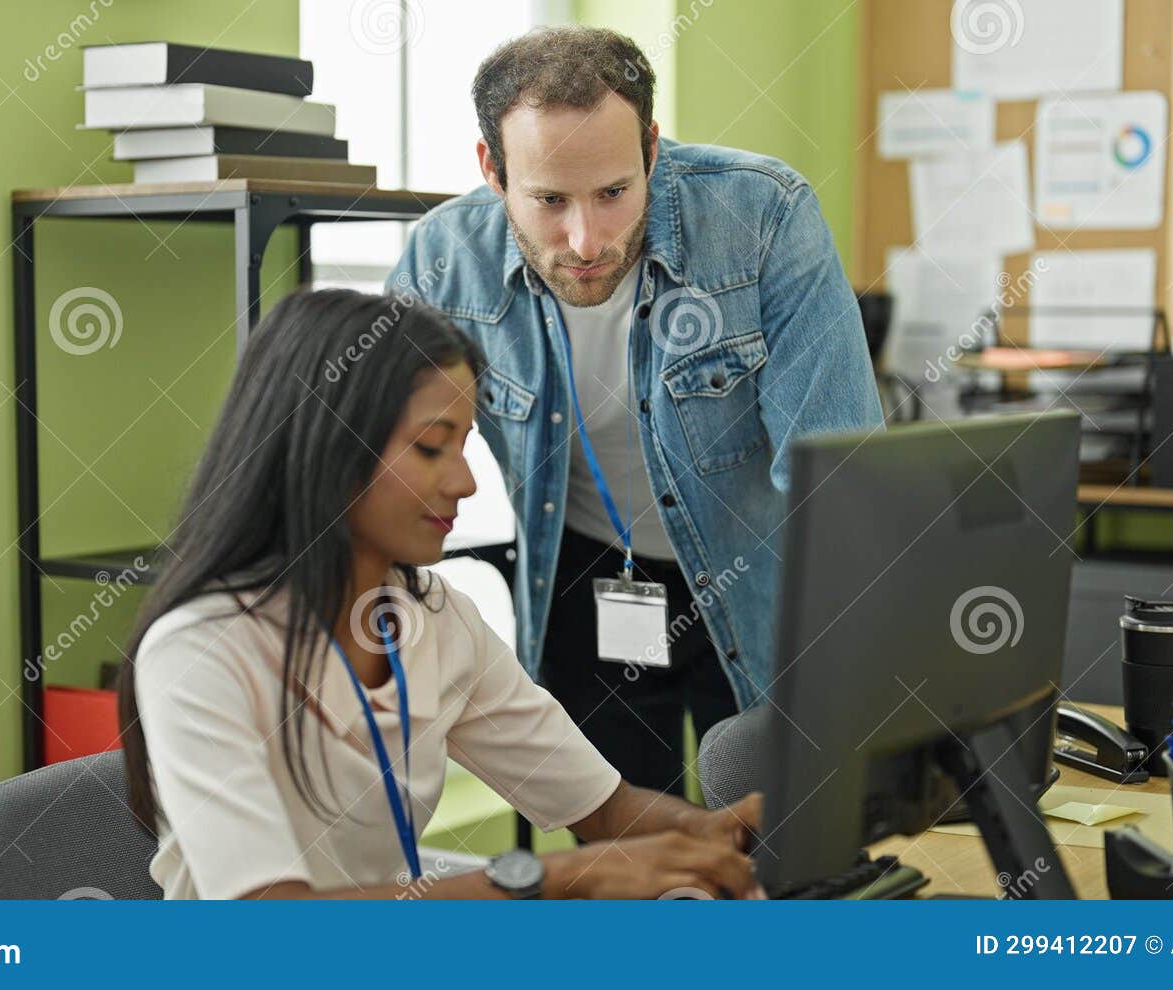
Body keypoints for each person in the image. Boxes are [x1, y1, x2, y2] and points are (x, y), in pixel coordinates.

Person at [117, 289, 761, 899]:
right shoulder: (199, 651)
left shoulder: (436, 618)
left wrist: (713, 834)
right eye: (430, 447)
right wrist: (559, 878)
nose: (464, 482)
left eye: (465, 445)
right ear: (330, 445)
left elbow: (606, 808)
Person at [387, 26, 883, 795]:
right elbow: (380, 458)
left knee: (779, 854)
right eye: (549, 200)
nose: (586, 240)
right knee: (630, 857)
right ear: (492, 167)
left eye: (614, 193)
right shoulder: (441, 261)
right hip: (588, 578)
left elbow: (839, 467)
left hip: (757, 579)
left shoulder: (763, 218)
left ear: (651, 148)